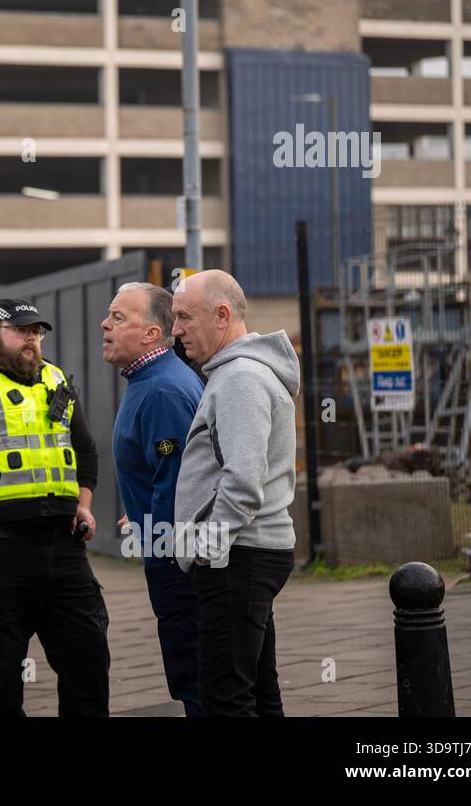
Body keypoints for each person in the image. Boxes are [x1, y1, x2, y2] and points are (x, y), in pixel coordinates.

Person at [0, 299, 109, 717]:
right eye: (22, 330)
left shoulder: (55, 378)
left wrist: (84, 505)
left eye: (37, 332)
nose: (32, 339)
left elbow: (86, 450)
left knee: (88, 659)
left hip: (65, 548)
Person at [170, 270, 300, 717]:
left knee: (226, 698)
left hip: (238, 557)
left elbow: (243, 480)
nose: (176, 330)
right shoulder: (240, 373)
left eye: (184, 317)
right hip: (247, 554)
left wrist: (206, 546)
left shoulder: (241, 378)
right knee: (260, 693)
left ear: (221, 315)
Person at [102, 282, 205, 717]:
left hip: (177, 562)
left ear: (150, 335)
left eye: (119, 318)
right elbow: (162, 473)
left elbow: (179, 481)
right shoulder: (149, 379)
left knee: (196, 676)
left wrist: (155, 534)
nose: (105, 325)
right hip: (171, 549)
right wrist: (140, 513)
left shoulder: (160, 389)